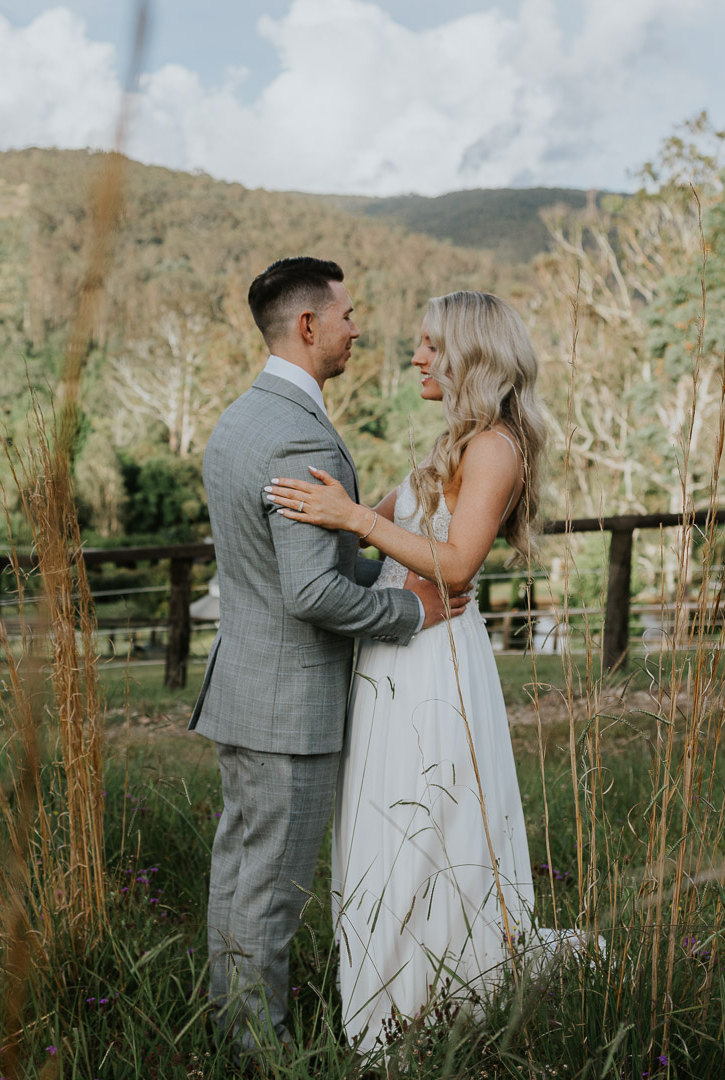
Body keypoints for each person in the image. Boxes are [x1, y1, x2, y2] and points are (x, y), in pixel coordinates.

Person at [189, 257, 468, 1061]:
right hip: (288, 706)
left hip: (245, 687)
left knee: (239, 879)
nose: (358, 328)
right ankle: (260, 1054)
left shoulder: (244, 417)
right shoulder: (299, 433)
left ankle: (230, 1036)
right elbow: (312, 593)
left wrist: (365, 527)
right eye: (348, 315)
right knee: (269, 895)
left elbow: (281, 562)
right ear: (308, 326)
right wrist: (410, 608)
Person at [263, 289, 551, 1046]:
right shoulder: (451, 440)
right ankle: (389, 997)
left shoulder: (494, 446)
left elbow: (456, 565)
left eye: (429, 344)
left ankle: (428, 1004)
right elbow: (376, 532)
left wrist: (354, 518)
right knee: (383, 822)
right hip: (392, 653)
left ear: (471, 354)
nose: (416, 356)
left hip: (435, 660)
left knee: (427, 824)